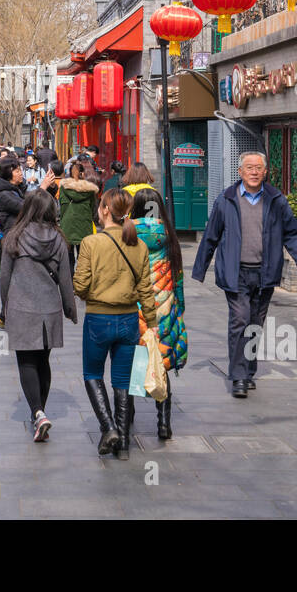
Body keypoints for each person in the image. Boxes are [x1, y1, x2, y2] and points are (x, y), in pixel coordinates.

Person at [191, 151, 297, 398]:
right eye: (249, 168)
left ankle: (248, 370)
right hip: (236, 273)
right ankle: (238, 376)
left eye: (258, 168)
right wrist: (200, 269)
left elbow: (292, 233)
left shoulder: (277, 200)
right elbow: (211, 235)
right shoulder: (226, 199)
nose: (254, 172)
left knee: (255, 324)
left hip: (265, 273)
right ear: (240, 172)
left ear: (265, 172)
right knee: (240, 320)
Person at [74, 188, 155, 460]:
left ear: (106, 210)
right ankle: (123, 445)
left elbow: (81, 284)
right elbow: (146, 289)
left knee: (92, 374)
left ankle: (108, 427)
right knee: (122, 381)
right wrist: (152, 323)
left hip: (99, 318)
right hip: (130, 319)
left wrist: (89, 294)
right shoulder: (139, 245)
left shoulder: (91, 243)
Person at [0, 190, 79, 442]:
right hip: (49, 309)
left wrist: (5, 308)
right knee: (43, 361)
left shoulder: (15, 236)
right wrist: (70, 309)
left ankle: (37, 412)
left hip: (21, 308)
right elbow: (66, 280)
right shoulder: (58, 239)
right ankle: (40, 414)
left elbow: (5, 278)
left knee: (26, 362)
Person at [130, 187, 188, 440]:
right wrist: (179, 308)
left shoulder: (128, 233)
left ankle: (127, 416)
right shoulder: (168, 234)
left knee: (133, 360)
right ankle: (163, 424)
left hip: (135, 307)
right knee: (160, 362)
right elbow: (178, 277)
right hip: (164, 305)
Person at [57, 159, 100, 272]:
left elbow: (61, 207)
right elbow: (92, 209)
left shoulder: (63, 188)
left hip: (67, 225)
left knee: (68, 257)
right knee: (83, 257)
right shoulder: (90, 191)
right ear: (83, 174)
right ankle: (82, 283)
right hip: (84, 226)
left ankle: (70, 283)